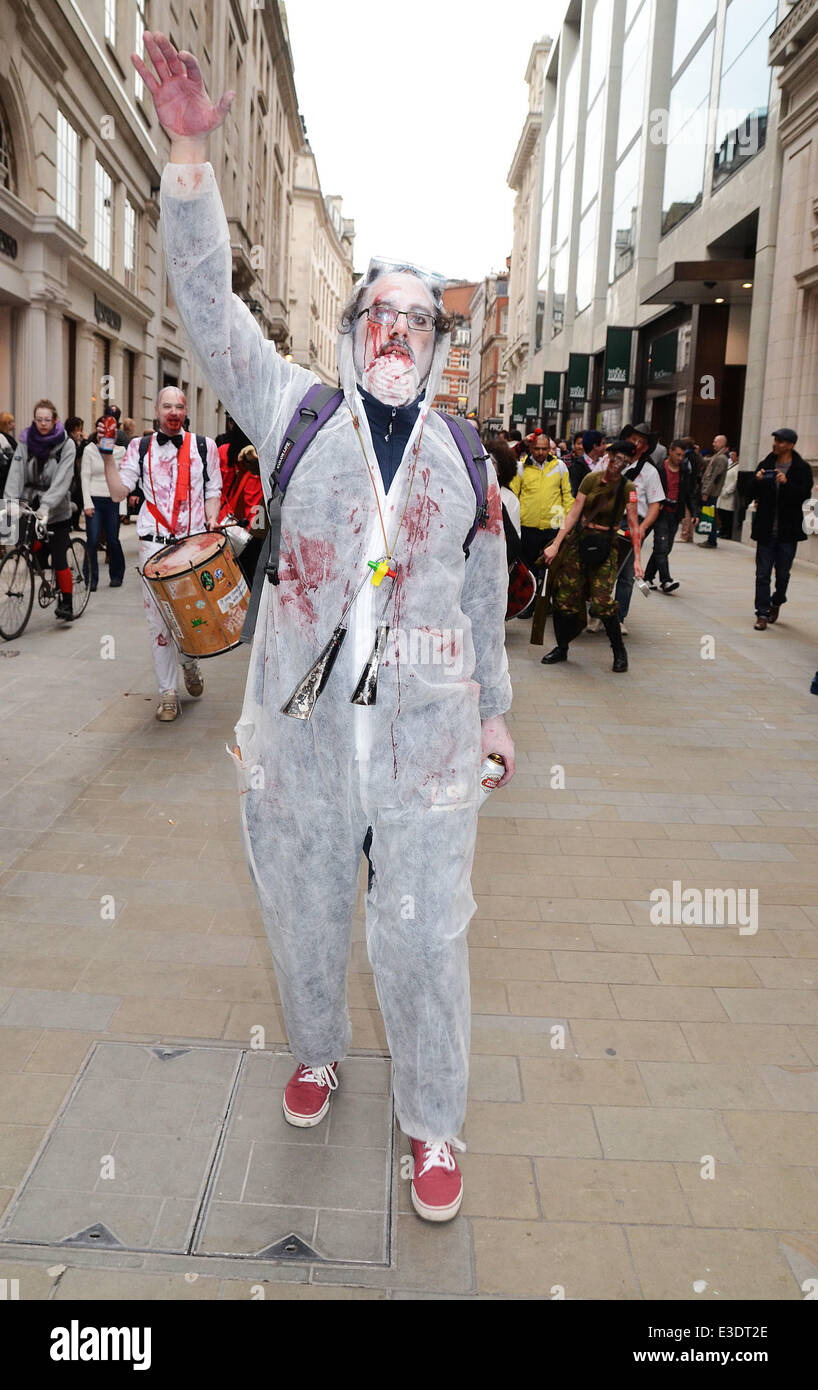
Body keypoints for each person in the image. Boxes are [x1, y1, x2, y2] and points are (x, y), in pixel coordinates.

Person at [134, 30, 513, 1222]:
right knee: (300, 913)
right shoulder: (291, 412)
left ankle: (432, 1123)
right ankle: (314, 1047)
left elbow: (485, 596)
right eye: (377, 316)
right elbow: (205, 308)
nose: (396, 332)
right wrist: (190, 155)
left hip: (427, 754)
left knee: (419, 942)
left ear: (440, 349)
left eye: (417, 320)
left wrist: (495, 711)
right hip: (297, 744)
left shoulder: (465, 458)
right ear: (350, 333)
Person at [101, 383, 222, 718]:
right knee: (159, 623)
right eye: (167, 406)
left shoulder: (204, 446)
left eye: (179, 407)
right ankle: (167, 692)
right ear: (156, 411)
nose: (173, 412)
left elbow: (214, 489)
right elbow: (117, 493)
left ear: (185, 412)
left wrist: (212, 516)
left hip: (191, 548)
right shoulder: (140, 448)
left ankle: (190, 663)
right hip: (152, 549)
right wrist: (107, 455)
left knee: (189, 616)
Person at [540, 439, 643, 672]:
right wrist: (556, 544)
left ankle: (619, 651)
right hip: (580, 542)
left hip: (607, 546)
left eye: (625, 462)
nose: (619, 464)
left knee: (602, 601)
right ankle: (562, 647)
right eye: (616, 458)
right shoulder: (591, 480)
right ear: (609, 457)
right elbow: (574, 513)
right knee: (564, 596)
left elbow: (635, 525)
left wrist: (637, 559)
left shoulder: (628, 489)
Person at [3, 399, 77, 620]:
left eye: (47, 420)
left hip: (56, 509)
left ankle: (67, 601)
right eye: (39, 420)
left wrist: (47, 506)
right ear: (34, 420)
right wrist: (10, 501)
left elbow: (63, 479)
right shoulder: (25, 441)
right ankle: (41, 569)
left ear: (55, 420)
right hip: (30, 503)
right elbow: (16, 471)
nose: (43, 424)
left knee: (59, 557)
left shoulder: (67, 444)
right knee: (28, 546)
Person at [751, 428, 813, 630]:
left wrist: (786, 484)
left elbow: (804, 495)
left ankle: (776, 601)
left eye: (780, 441)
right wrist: (757, 480)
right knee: (762, 574)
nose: (775, 444)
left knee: (783, 574)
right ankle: (762, 613)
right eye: (775, 440)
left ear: (791, 445)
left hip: (788, 531)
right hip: (766, 530)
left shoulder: (801, 468)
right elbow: (750, 492)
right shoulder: (766, 464)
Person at [613, 422, 664, 629]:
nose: (635, 444)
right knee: (601, 569)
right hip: (608, 521)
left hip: (632, 525)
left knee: (625, 576)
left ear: (645, 447)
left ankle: (619, 618)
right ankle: (597, 611)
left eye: (640, 441)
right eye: (633, 439)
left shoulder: (650, 472)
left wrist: (643, 528)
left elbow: (655, 505)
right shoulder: (610, 463)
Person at [509, 433, 572, 583]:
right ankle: (530, 605)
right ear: (530, 448)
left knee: (553, 572)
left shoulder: (560, 466)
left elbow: (567, 497)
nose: (541, 452)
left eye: (544, 449)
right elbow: (513, 498)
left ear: (549, 449)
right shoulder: (521, 468)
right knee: (527, 572)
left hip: (553, 527)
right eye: (537, 448)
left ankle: (548, 604)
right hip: (527, 528)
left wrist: (568, 525)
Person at [82, 417, 126, 590]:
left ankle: (117, 574)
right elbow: (85, 477)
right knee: (92, 540)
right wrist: (87, 502)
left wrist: (122, 507)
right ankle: (91, 578)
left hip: (113, 500)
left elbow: (122, 479)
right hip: (94, 498)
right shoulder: (89, 450)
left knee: (113, 539)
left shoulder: (121, 451)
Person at [645, 439, 695, 591]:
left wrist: (694, 512)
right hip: (660, 513)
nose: (680, 458)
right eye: (678, 454)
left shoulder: (685, 471)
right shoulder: (659, 470)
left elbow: (689, 493)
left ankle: (647, 578)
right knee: (661, 545)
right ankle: (666, 580)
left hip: (675, 514)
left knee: (666, 548)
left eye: (683, 455)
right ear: (671, 451)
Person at [699, 435, 729, 548]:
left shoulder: (721, 458)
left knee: (710, 516)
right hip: (711, 492)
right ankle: (711, 539)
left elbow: (715, 477)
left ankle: (712, 540)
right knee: (710, 515)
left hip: (712, 493)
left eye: (715, 441)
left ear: (722, 443)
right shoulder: (718, 456)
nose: (713, 443)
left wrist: (706, 492)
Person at [717, 450, 740, 540]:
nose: (731, 457)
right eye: (731, 455)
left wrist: (727, 491)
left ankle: (727, 532)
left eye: (733, 455)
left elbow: (735, 481)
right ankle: (722, 530)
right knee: (722, 513)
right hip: (722, 492)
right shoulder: (730, 465)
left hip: (728, 494)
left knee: (727, 515)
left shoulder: (737, 467)